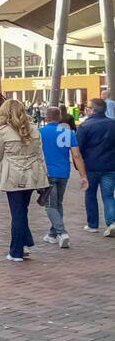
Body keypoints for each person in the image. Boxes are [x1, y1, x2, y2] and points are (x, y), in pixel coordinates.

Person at [0, 99, 49, 262]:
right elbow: (39, 155)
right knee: (22, 210)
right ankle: (25, 244)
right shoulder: (34, 130)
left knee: (17, 213)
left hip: (13, 175)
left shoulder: (3, 131)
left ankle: (16, 251)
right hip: (32, 174)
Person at [38, 105, 86, 249]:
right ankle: (52, 235)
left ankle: (61, 232)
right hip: (64, 172)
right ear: (59, 118)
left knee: (50, 205)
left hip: (47, 173)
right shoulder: (69, 133)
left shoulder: (40, 132)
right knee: (58, 203)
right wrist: (83, 175)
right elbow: (76, 155)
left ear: (46, 118)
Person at [77, 96, 115, 235]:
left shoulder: (85, 126)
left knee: (90, 194)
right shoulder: (112, 124)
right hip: (110, 166)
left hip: (91, 166)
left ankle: (92, 224)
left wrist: (80, 169)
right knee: (108, 195)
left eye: (87, 108)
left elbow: (78, 148)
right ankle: (112, 222)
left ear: (92, 111)